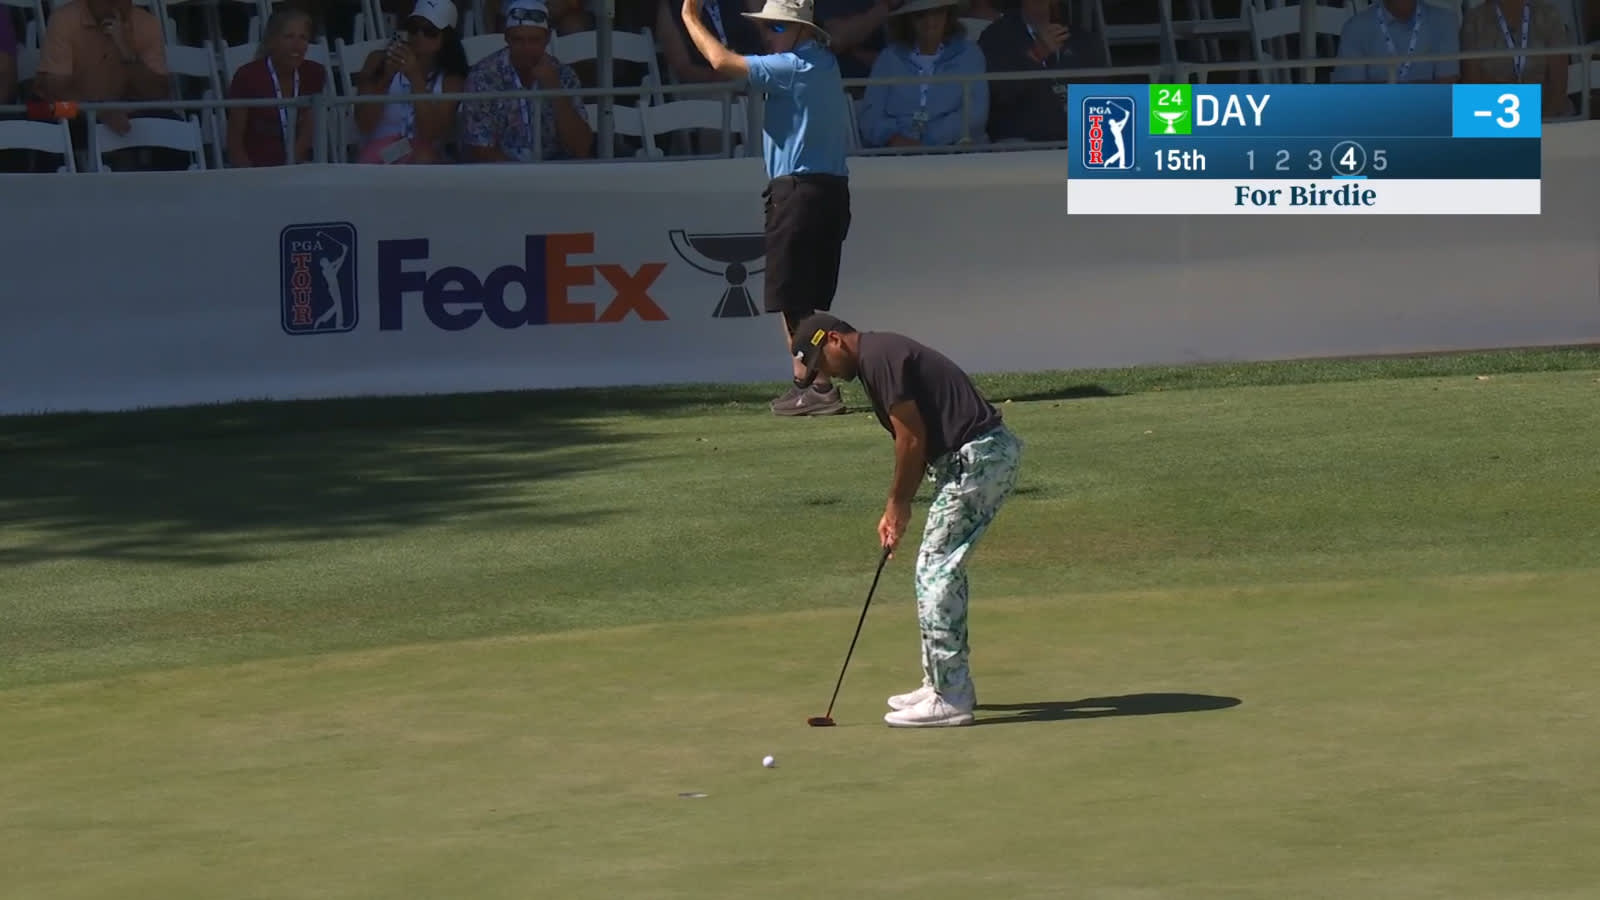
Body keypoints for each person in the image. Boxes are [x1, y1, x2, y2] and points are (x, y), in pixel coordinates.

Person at [789, 313, 1024, 727]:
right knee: (940, 570)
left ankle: (950, 695)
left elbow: (911, 437)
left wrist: (898, 503)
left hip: (978, 460)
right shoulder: (878, 358)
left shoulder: (880, 358)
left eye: (821, 362)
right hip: (974, 461)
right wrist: (899, 504)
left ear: (836, 341)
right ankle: (943, 681)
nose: (825, 373)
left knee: (935, 570)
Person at [680, 0, 855, 417]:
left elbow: (722, 62)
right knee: (800, 300)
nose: (768, 35)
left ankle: (822, 386)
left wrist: (689, 16)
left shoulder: (792, 67)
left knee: (795, 302)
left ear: (803, 31)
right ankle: (807, 383)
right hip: (827, 193)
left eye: (777, 28)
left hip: (798, 193)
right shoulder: (823, 63)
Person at [460, 0, 594, 162]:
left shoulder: (564, 75)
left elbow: (581, 148)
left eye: (534, 40)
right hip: (504, 177)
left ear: (547, 38)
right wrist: (525, 179)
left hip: (556, 171)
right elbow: (481, 150)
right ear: (506, 38)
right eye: (518, 40)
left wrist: (554, 89)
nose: (526, 48)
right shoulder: (483, 76)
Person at [857, 0, 988, 148]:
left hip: (954, 153)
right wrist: (893, 138)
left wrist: (929, 139)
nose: (930, 21)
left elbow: (976, 114)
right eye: (920, 15)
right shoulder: (888, 58)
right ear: (908, 19)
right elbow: (869, 116)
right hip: (895, 154)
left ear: (948, 14)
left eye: (937, 12)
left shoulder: (970, 55)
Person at [353, 0, 470, 164]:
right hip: (378, 153)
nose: (419, 36)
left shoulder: (452, 78)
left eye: (430, 31)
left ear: (447, 37)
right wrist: (385, 79)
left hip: (424, 157)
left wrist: (415, 78)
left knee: (423, 157)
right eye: (414, 28)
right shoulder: (377, 59)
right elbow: (364, 125)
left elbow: (431, 133)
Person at [226, 7, 329, 167]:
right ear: (272, 41)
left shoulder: (314, 73)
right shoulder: (247, 76)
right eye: (289, 37)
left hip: (297, 168)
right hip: (256, 170)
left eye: (303, 38)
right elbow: (235, 142)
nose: (297, 45)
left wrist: (289, 168)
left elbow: (308, 130)